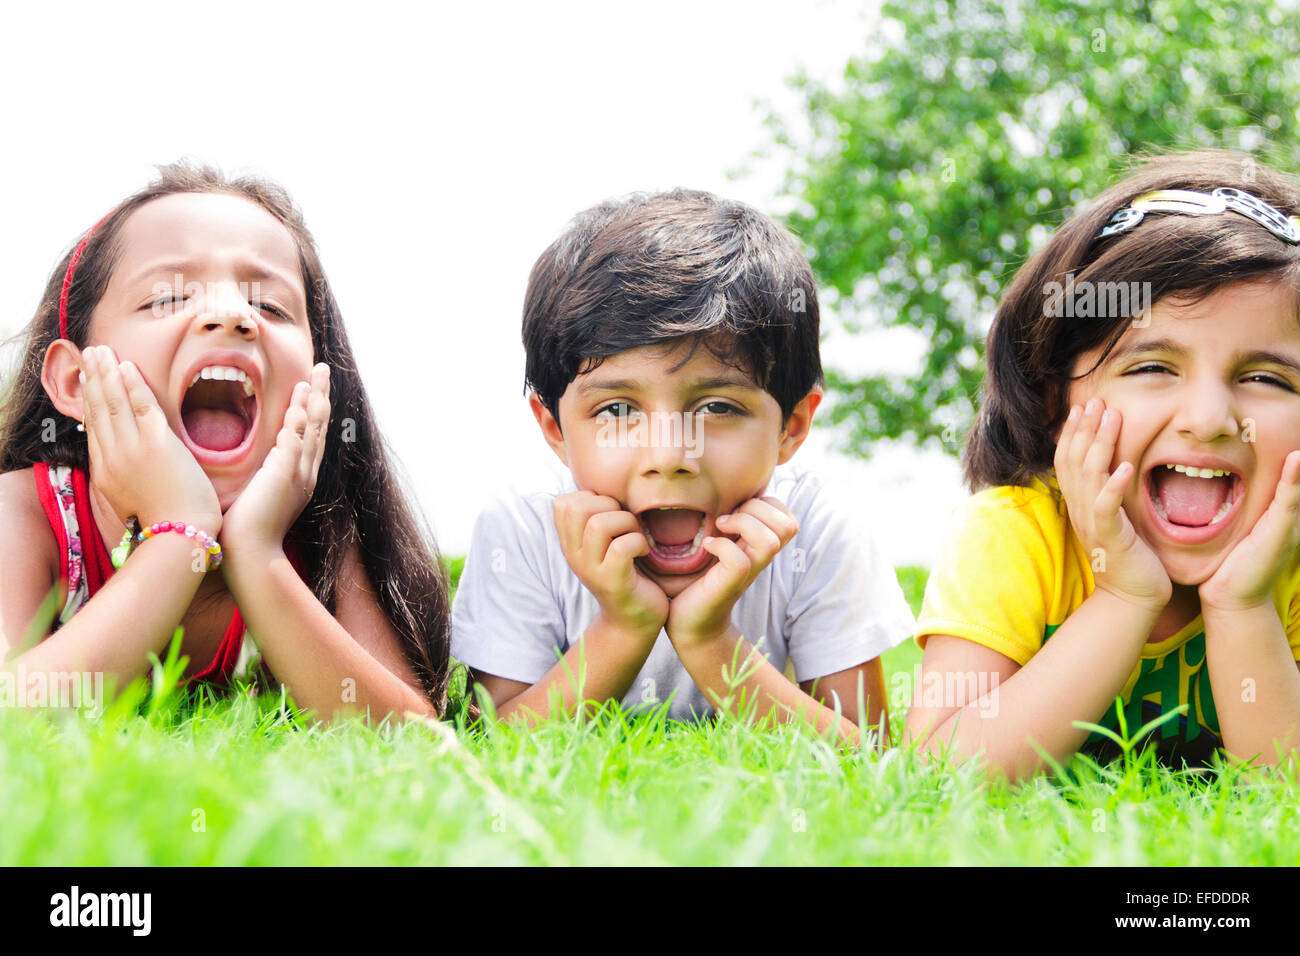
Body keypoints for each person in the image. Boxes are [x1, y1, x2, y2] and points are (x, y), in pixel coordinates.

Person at [452, 189, 914, 745]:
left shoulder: (818, 526)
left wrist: (709, 638)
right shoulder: (523, 526)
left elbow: (868, 755)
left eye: (718, 407)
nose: (669, 456)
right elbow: (491, 744)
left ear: (791, 426)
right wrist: (623, 627)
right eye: (617, 410)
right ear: (554, 428)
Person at [0, 162, 451, 721]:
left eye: (269, 305)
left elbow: (412, 745)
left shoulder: (320, 530)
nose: (231, 316)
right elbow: (11, 720)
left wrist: (257, 554)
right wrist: (177, 537)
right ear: (75, 382)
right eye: (166, 298)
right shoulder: (29, 515)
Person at [908, 151, 1300, 777]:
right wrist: (1124, 595)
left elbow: (1289, 793)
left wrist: (1242, 606)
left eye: (1265, 377)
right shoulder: (1013, 537)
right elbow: (939, 773)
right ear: (1053, 398)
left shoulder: (1289, 565)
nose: (1209, 418)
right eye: (1152, 368)